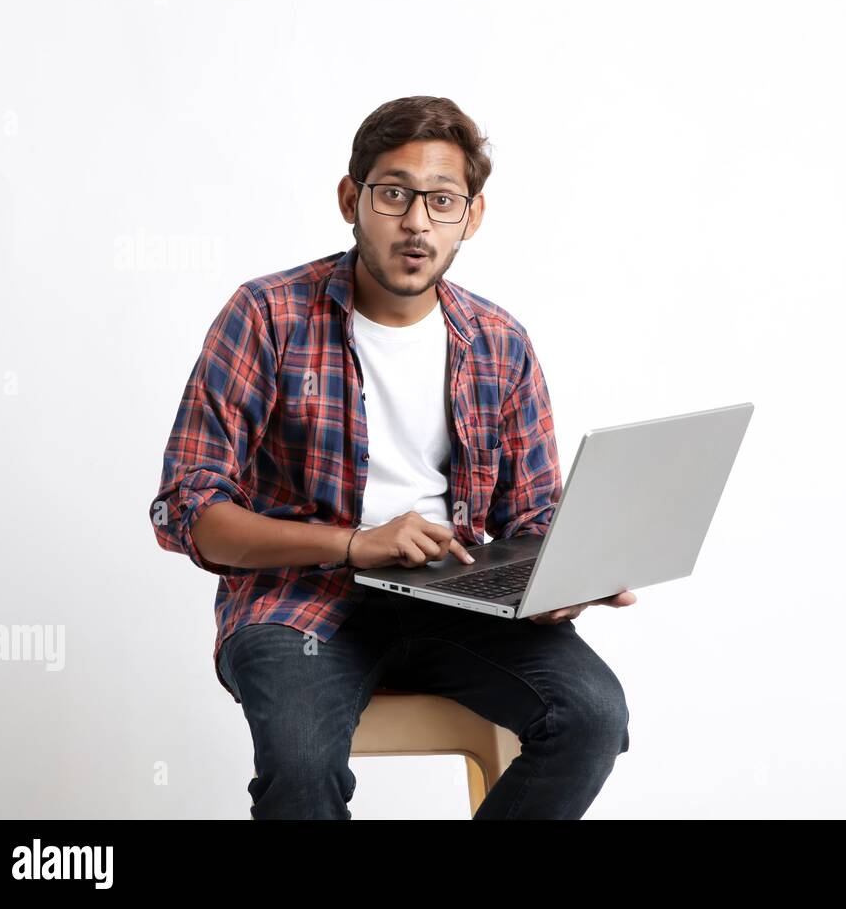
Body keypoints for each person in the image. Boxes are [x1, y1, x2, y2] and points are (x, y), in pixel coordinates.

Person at [149, 96, 635, 819]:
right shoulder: (266, 315)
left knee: (593, 715)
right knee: (299, 763)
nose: (417, 222)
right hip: (299, 605)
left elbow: (532, 517)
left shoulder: (500, 342)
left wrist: (563, 580)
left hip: (461, 602)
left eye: (442, 201)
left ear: (471, 216)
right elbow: (188, 511)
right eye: (393, 194)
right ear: (353, 199)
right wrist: (353, 545)